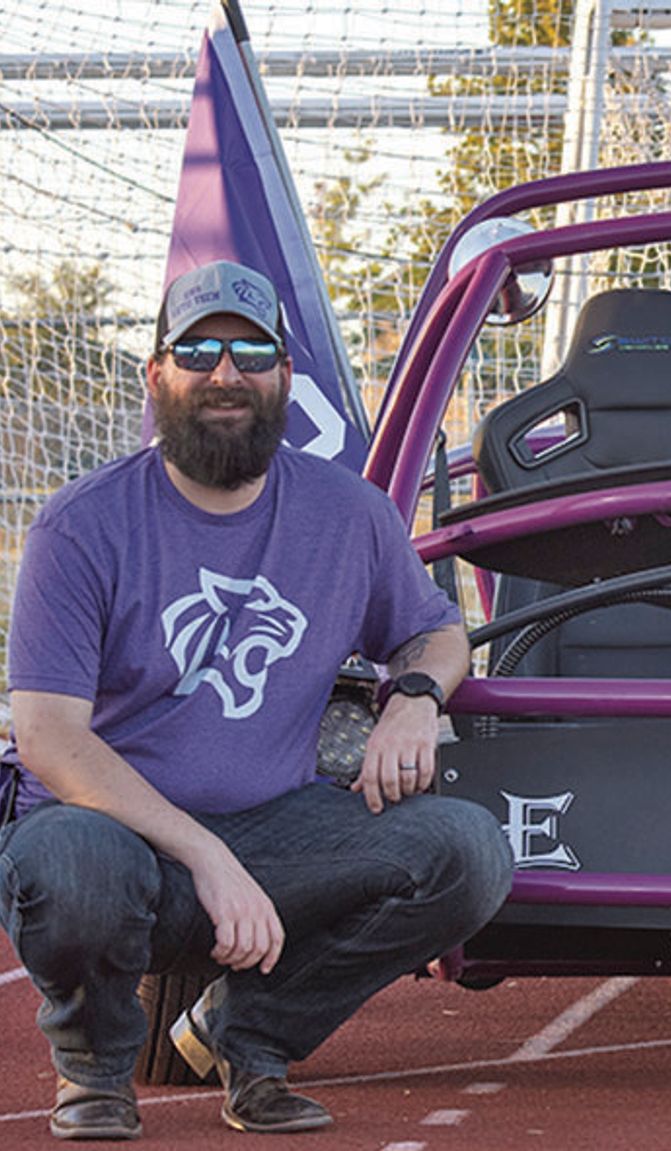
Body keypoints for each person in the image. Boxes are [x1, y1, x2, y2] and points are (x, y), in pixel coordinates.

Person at [0, 260, 515, 1140]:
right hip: (111, 833)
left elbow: (437, 630)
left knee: (466, 851)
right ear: (155, 375)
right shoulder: (80, 525)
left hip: (275, 827)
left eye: (251, 353)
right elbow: (49, 736)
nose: (225, 374)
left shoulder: (349, 514)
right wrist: (205, 853)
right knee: (72, 864)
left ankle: (248, 1037)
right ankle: (94, 1068)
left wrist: (416, 695)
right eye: (198, 352)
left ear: (284, 374)